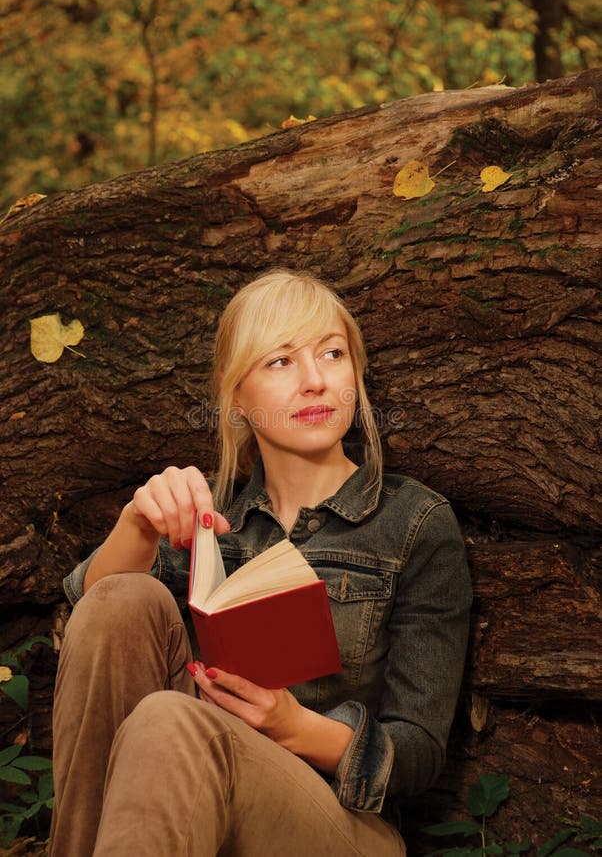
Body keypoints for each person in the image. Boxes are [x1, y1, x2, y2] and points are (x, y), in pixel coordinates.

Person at [50, 269, 472, 857]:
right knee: (123, 598)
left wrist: (292, 726)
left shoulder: (414, 523)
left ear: (357, 373)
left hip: (339, 825)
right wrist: (137, 525)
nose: (315, 381)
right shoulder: (208, 516)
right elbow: (94, 634)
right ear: (236, 396)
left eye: (332, 354)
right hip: (183, 790)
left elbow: (419, 752)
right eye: (280, 361)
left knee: (172, 720)